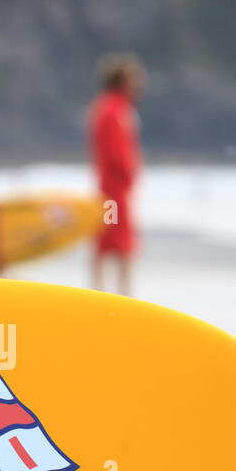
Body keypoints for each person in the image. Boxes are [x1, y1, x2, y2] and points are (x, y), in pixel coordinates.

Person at [88, 54, 145, 296]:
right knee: (117, 240)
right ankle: (120, 294)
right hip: (114, 187)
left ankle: (107, 292)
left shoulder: (110, 107)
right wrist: (129, 173)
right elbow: (115, 150)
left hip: (112, 185)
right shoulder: (113, 109)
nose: (138, 85)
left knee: (110, 238)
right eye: (132, 80)